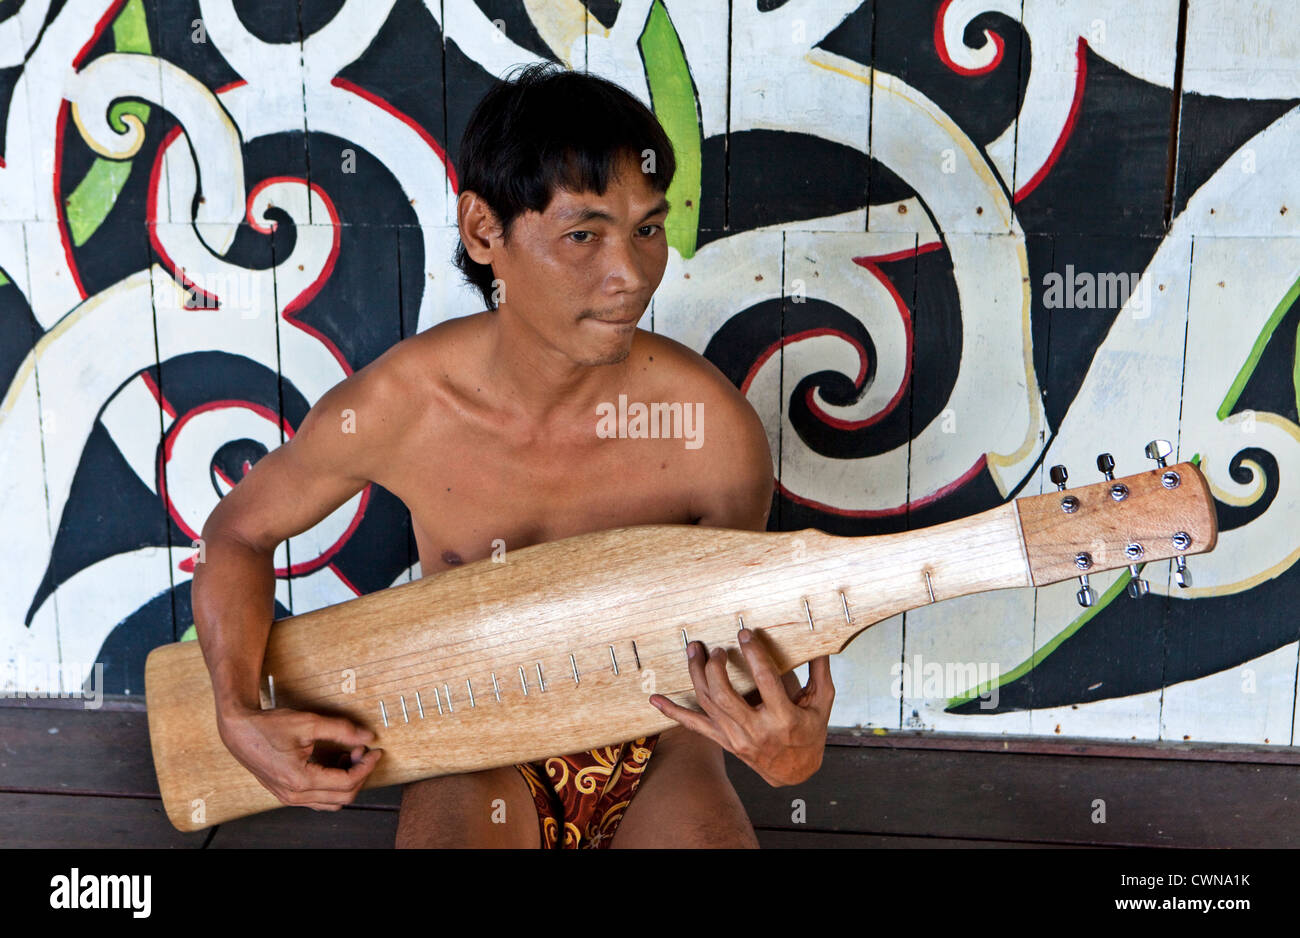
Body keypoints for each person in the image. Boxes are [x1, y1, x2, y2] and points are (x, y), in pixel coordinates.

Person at [192, 62, 834, 849]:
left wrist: (792, 758)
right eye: (583, 234)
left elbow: (743, 667)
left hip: (664, 746)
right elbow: (238, 533)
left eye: (647, 229)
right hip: (475, 743)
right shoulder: (401, 408)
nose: (629, 275)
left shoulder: (710, 430)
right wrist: (236, 711)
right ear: (483, 230)